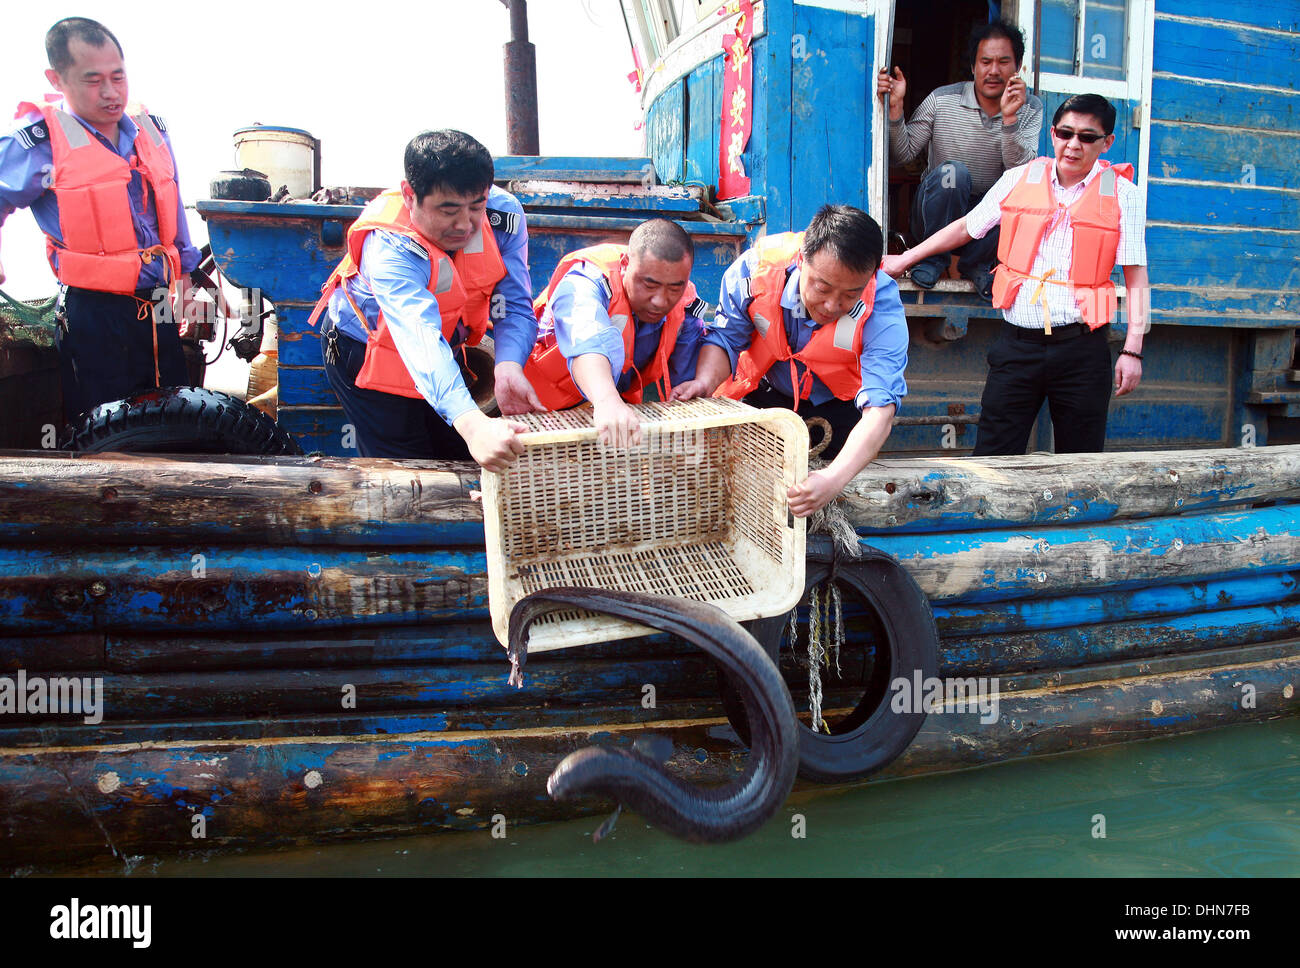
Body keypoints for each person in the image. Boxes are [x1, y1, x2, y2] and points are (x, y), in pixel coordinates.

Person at [882, 93, 1149, 456]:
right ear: (1053, 134)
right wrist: (905, 259)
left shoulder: (1124, 195)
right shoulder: (1020, 178)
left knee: (1083, 459)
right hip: (1018, 345)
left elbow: (1136, 279)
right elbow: (967, 227)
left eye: (1087, 137)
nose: (1073, 145)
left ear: (1107, 143)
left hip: (1082, 348)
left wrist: (1133, 350)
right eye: (1065, 133)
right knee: (994, 453)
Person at [0, 18, 203, 424]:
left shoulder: (150, 128)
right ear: (56, 79)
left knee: (176, 419)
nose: (110, 93)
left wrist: (189, 278)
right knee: (104, 431)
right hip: (94, 311)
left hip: (159, 301)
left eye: (118, 77)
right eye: (93, 81)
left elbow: (172, 202)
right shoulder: (40, 141)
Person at [309, 129, 541, 470]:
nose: (465, 225)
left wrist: (508, 365)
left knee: (460, 456)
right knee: (407, 470)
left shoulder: (504, 216)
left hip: (443, 345)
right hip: (368, 349)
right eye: (448, 210)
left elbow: (514, 304)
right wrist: (474, 425)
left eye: (476, 206)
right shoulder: (390, 245)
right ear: (409, 194)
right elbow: (419, 337)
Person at [673, 205, 908, 517]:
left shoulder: (883, 305)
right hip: (765, 401)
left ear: (870, 277)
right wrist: (704, 381)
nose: (831, 304)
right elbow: (727, 339)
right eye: (822, 287)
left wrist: (832, 479)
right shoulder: (753, 274)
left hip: (841, 410)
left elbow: (880, 411)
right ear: (801, 260)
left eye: (849, 295)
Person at [877, 18, 1043, 299]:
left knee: (1020, 192)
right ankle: (931, 258)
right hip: (936, 210)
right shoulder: (943, 100)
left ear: (1018, 67)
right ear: (972, 66)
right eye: (985, 61)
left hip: (986, 219)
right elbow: (901, 155)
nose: (993, 71)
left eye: (1003, 62)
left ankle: (976, 265)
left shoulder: (1030, 108)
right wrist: (895, 109)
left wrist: (1010, 118)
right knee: (954, 174)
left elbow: (1020, 170)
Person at [524, 218, 707, 447]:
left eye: (674, 288)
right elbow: (585, 336)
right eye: (649, 285)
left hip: (614, 422)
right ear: (626, 263)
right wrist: (606, 400)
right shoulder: (584, 283)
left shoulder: (686, 310)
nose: (660, 301)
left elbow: (688, 388)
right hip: (540, 416)